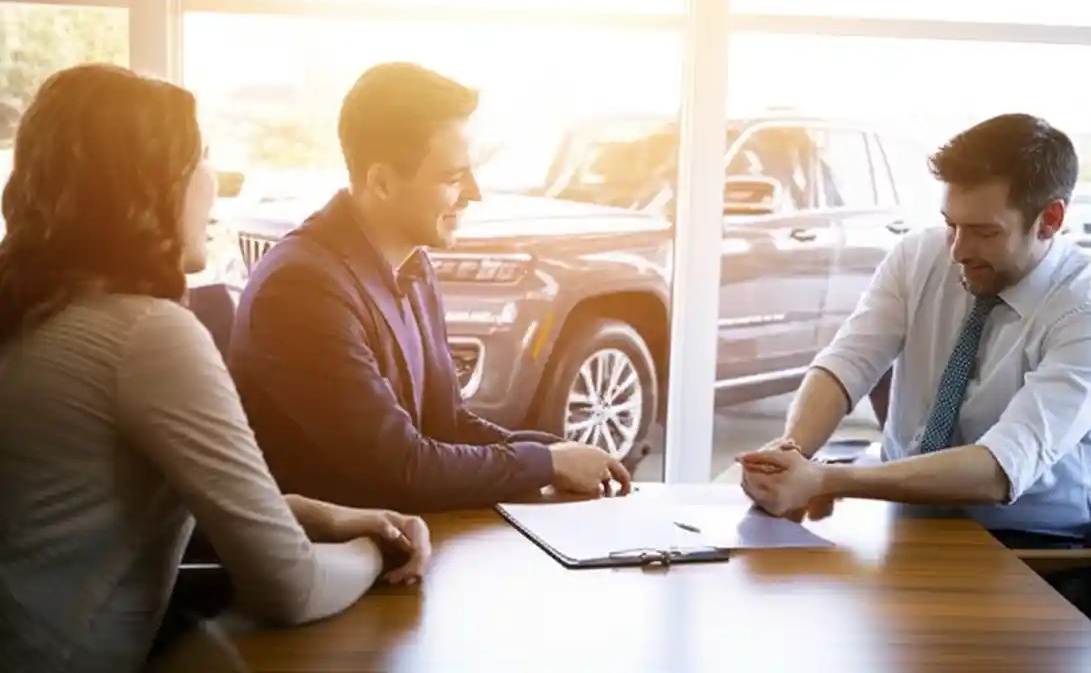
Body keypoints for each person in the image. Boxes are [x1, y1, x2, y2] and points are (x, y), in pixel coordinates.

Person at [0, 64, 431, 671]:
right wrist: (379, 549)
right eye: (201, 157)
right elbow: (290, 587)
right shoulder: (147, 335)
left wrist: (325, 515)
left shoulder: (35, 308)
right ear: (144, 185)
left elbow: (105, 515)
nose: (217, 182)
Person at [228, 62, 630, 514]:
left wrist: (560, 454)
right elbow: (400, 466)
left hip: (404, 538)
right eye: (452, 178)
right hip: (338, 565)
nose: (474, 193)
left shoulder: (412, 265)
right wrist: (544, 463)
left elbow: (446, 425)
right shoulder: (300, 289)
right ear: (381, 182)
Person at [737, 113, 1091, 548]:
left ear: (1050, 219)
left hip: (1026, 543)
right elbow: (848, 364)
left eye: (985, 232)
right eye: (952, 223)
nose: (958, 251)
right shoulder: (917, 256)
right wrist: (790, 457)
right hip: (897, 521)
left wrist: (826, 481)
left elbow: (998, 470)